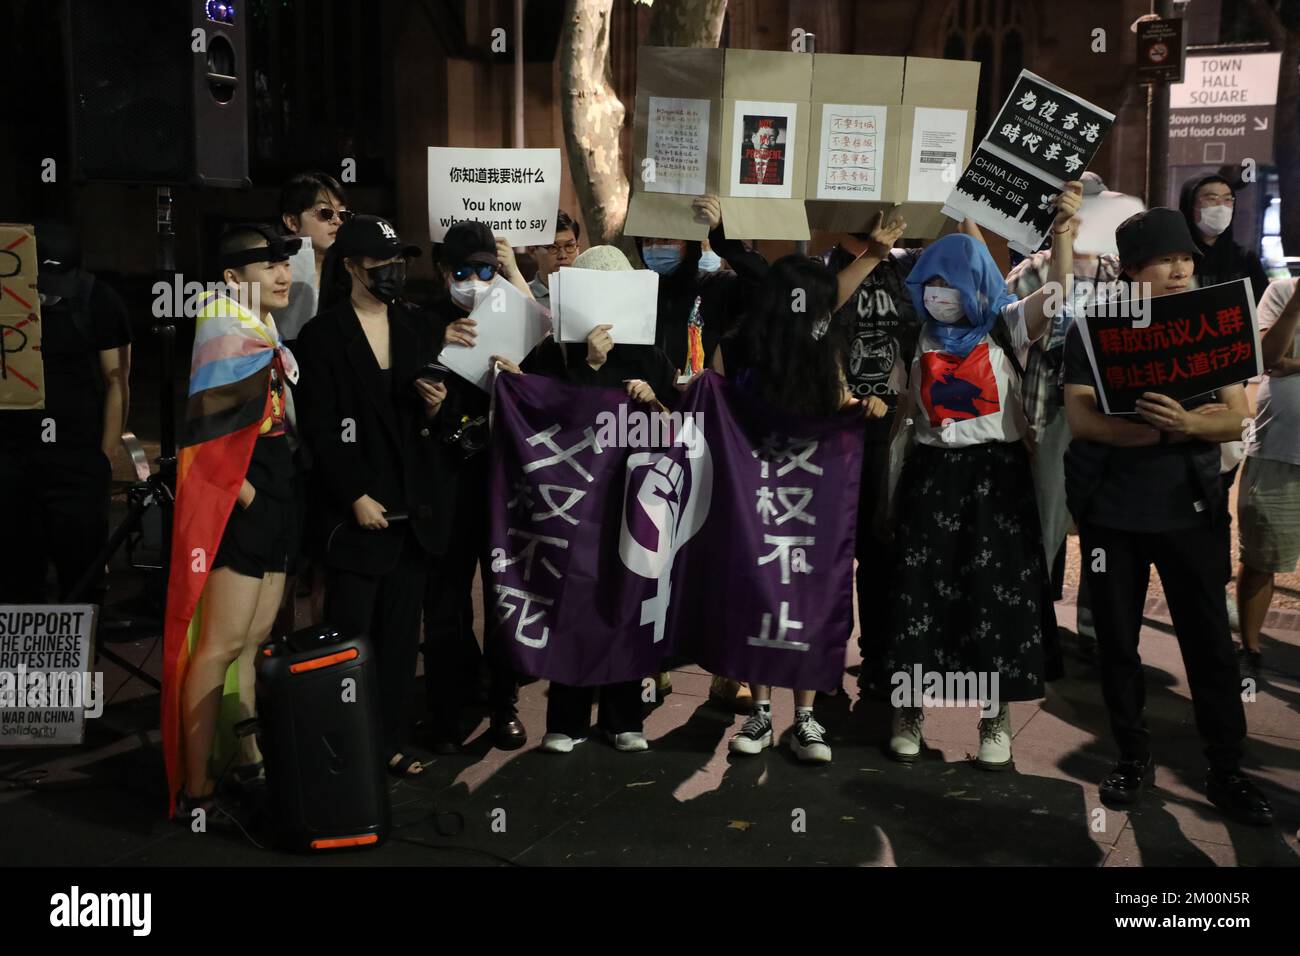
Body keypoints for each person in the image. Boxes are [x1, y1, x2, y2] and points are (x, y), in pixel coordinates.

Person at [1062, 207, 1273, 825]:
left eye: (1185, 259)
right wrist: (1167, 435)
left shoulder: (1214, 321)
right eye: (1165, 261)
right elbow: (1082, 421)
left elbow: (1238, 418)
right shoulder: (1094, 328)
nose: (1180, 270)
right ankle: (1130, 756)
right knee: (1117, 645)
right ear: (1132, 271)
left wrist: (1185, 424)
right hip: (1114, 514)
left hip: (1193, 509)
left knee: (1210, 646)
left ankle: (1227, 769)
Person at [882, 185, 1081, 771]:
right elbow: (902, 414)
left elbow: (1058, 294)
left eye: (952, 284)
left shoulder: (1006, 325)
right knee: (918, 597)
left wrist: (1063, 236)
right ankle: (908, 711)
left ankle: (995, 720)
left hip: (996, 480)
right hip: (929, 475)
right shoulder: (912, 337)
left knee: (997, 600)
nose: (941, 295)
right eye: (932, 284)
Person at [295, 215, 451, 778]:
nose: (395, 272)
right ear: (355, 267)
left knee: (399, 638)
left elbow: (429, 416)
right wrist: (355, 495)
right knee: (349, 635)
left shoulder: (415, 326)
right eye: (384, 262)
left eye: (400, 261)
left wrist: (434, 406)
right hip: (356, 512)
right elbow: (318, 427)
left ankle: (390, 741)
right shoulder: (322, 335)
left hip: (411, 510)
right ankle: (342, 746)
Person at [163, 224, 299, 818]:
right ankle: (197, 789)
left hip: (275, 495)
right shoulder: (220, 325)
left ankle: (247, 763)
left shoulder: (260, 328)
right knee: (217, 649)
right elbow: (205, 437)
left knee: (249, 644)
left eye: (285, 262)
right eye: (266, 264)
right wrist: (249, 499)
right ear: (230, 277)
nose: (281, 273)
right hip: (245, 504)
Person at [522, 244, 677, 753]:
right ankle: (565, 719)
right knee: (572, 598)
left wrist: (652, 400)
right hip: (571, 503)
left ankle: (624, 716)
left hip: (631, 500)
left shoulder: (653, 356)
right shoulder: (554, 352)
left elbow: (676, 429)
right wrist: (588, 367)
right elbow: (538, 413)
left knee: (626, 598)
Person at [724, 255, 866, 765]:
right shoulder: (742, 346)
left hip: (813, 495)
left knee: (810, 593)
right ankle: (760, 713)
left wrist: (859, 409)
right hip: (759, 491)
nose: (826, 314)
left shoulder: (825, 350)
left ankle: (805, 717)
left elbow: (840, 401)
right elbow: (723, 405)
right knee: (763, 591)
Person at [1005, 173, 1138, 649]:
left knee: (1106, 523)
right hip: (1049, 413)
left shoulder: (1119, 273)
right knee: (1045, 520)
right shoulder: (1032, 271)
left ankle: (1094, 627)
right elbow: (1011, 338)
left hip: (1106, 417)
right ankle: (1031, 626)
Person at [425, 221, 534, 752]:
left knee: (503, 599)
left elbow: (551, 394)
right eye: (463, 270)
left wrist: (516, 383)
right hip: (445, 483)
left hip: (501, 484)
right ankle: (446, 711)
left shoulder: (517, 320)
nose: (474, 280)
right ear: (444, 272)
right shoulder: (424, 322)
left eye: (485, 269)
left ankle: (503, 705)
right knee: (445, 604)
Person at [0, 221, 131, 606]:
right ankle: (18, 662)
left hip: (76, 456)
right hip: (12, 454)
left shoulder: (98, 300)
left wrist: (104, 458)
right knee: (16, 574)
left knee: (81, 574)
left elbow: (118, 381)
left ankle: (79, 661)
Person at [1236, 276, 1300, 678]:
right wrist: (1295, 305)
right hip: (1278, 448)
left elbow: (1283, 365)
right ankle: (1251, 647)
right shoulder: (1281, 290)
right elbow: (1266, 359)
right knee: (1261, 556)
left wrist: (1293, 365)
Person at [273, 171, 351, 347]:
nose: (337, 221)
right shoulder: (269, 275)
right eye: (326, 213)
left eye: (343, 214)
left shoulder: (353, 270)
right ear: (291, 222)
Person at [1177, 173, 1269, 301]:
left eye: (1227, 200)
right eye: (1211, 199)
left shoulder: (1245, 259)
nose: (1221, 207)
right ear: (1189, 205)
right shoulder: (1174, 259)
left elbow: (1263, 308)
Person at [527, 210, 582, 311]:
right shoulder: (521, 296)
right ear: (532, 250)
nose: (562, 255)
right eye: (553, 247)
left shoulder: (590, 294)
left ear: (578, 248)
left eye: (569, 246)